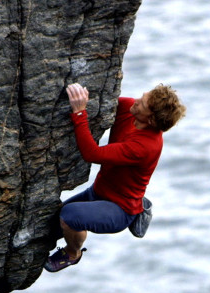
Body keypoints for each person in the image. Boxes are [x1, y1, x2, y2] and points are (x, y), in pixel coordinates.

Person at [44, 82, 186, 272]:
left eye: (142, 103)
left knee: (69, 216)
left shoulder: (144, 146)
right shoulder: (131, 109)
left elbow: (92, 154)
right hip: (99, 191)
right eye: (143, 96)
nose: (136, 101)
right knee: (47, 226)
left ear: (151, 120)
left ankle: (72, 253)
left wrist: (79, 113)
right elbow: (105, 103)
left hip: (119, 209)